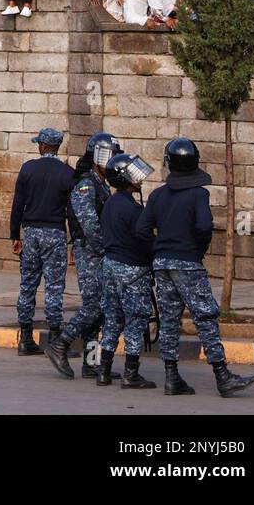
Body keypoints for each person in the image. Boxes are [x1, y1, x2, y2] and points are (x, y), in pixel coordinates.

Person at [136, 138, 254, 397]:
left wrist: (159, 247)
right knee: (205, 316)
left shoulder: (157, 195)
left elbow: (142, 229)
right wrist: (195, 249)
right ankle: (222, 376)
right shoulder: (199, 193)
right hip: (188, 263)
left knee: (169, 320)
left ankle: (172, 377)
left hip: (162, 263)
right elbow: (204, 227)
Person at [46, 132, 118, 379]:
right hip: (90, 250)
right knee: (95, 305)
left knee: (99, 311)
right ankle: (61, 344)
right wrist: (104, 248)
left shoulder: (100, 182)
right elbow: (89, 224)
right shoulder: (86, 184)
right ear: (100, 157)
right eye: (111, 156)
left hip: (97, 251)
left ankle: (91, 362)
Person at [95, 152, 157, 390]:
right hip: (132, 271)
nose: (139, 179)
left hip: (110, 267)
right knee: (136, 320)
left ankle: (104, 370)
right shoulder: (132, 209)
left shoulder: (111, 203)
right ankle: (131, 373)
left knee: (111, 319)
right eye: (134, 175)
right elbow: (143, 239)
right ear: (124, 178)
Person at [10, 127, 72, 356]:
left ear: (43, 146)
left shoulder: (28, 169)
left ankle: (25, 338)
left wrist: (15, 235)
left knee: (28, 285)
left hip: (31, 232)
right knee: (54, 286)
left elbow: (18, 205)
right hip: (55, 234)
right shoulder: (67, 173)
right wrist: (74, 240)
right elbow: (72, 210)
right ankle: (55, 339)